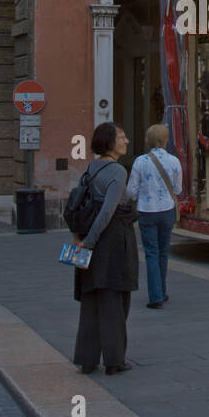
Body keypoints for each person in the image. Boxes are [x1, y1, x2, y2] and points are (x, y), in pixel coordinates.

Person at [71, 122, 139, 376]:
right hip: (111, 243)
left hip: (89, 241)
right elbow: (107, 212)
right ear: (109, 143)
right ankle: (114, 360)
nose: (126, 141)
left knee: (91, 301)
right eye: (121, 137)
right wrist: (91, 241)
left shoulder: (90, 168)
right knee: (114, 301)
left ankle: (87, 359)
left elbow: (80, 205)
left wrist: (82, 241)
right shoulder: (118, 172)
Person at [127, 124, 182, 309]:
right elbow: (178, 189)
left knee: (151, 252)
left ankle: (155, 296)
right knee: (163, 252)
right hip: (167, 210)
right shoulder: (174, 161)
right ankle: (162, 290)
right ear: (165, 140)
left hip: (147, 211)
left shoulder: (140, 162)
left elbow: (131, 192)